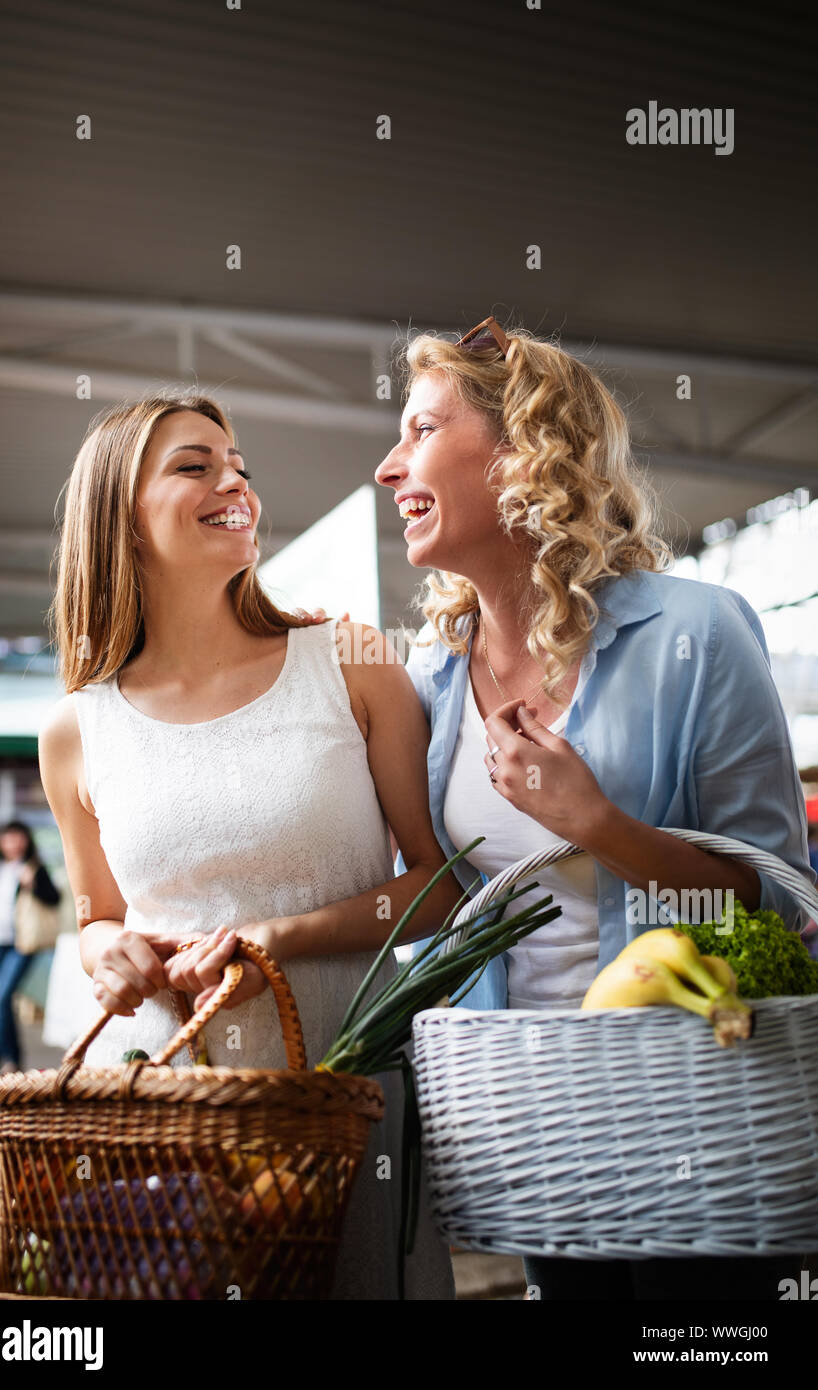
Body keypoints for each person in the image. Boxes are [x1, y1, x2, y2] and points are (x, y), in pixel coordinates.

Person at [365, 314, 814, 1301]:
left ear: (523, 451)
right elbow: (433, 909)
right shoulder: (430, 682)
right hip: (534, 1141)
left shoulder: (695, 632)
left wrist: (598, 826)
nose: (388, 467)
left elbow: (775, 906)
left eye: (421, 430)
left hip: (704, 1120)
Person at [37, 389, 459, 1300]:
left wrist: (285, 936)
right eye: (195, 465)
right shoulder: (77, 728)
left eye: (240, 466)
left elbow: (437, 885)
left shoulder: (350, 661)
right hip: (169, 1114)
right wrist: (102, 950)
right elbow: (96, 917)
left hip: (344, 1094)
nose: (236, 483)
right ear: (120, 515)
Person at [0, 820, 61, 1087]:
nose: (12, 843)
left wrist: (32, 884)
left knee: (2, 998)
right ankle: (14, 1060)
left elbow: (53, 898)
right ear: (0, 843)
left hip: (21, 944)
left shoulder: (34, 868)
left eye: (17, 838)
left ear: (26, 840)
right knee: (3, 1001)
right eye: (7, 838)